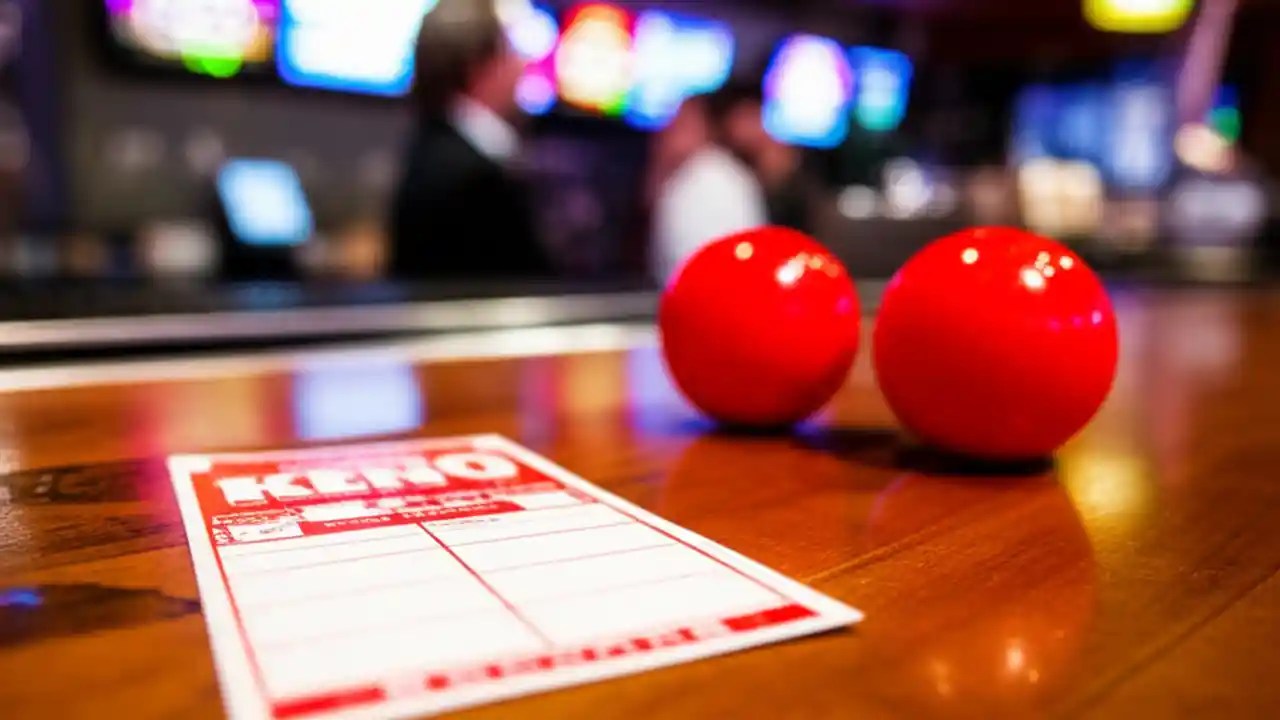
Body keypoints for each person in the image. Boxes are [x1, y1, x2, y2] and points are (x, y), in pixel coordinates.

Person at [389, 0, 552, 279]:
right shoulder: (473, 178)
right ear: (480, 68)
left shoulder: (430, 149)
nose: (521, 67)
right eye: (511, 52)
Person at [647, 90, 769, 284]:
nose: (668, 133)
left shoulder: (709, 177)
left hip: (708, 303)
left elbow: (700, 269)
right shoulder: (694, 173)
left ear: (706, 127)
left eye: (681, 124)